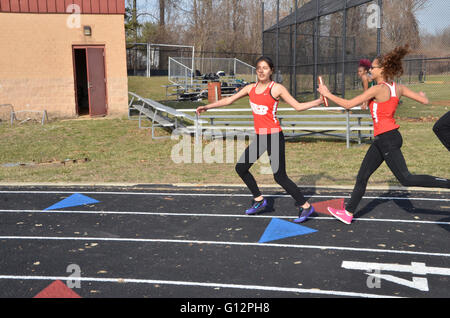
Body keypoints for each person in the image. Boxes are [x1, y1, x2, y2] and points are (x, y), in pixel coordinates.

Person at [318, 45, 450, 225]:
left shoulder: (377, 89)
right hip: (385, 138)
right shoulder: (398, 87)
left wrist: (327, 93)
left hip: (387, 139)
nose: (369, 70)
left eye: (373, 67)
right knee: (363, 176)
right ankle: (348, 212)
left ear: (383, 70)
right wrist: (422, 95)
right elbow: (424, 100)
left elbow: (348, 104)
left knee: (406, 178)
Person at [196, 56, 323, 223]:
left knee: (280, 177)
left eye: (265, 68)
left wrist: (319, 101)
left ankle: (306, 206)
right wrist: (207, 106)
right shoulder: (250, 88)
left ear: (271, 71)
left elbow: (298, 106)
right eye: (259, 68)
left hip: (275, 136)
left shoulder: (276, 88)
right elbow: (228, 100)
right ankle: (259, 199)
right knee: (241, 168)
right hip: (261, 136)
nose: (261, 70)